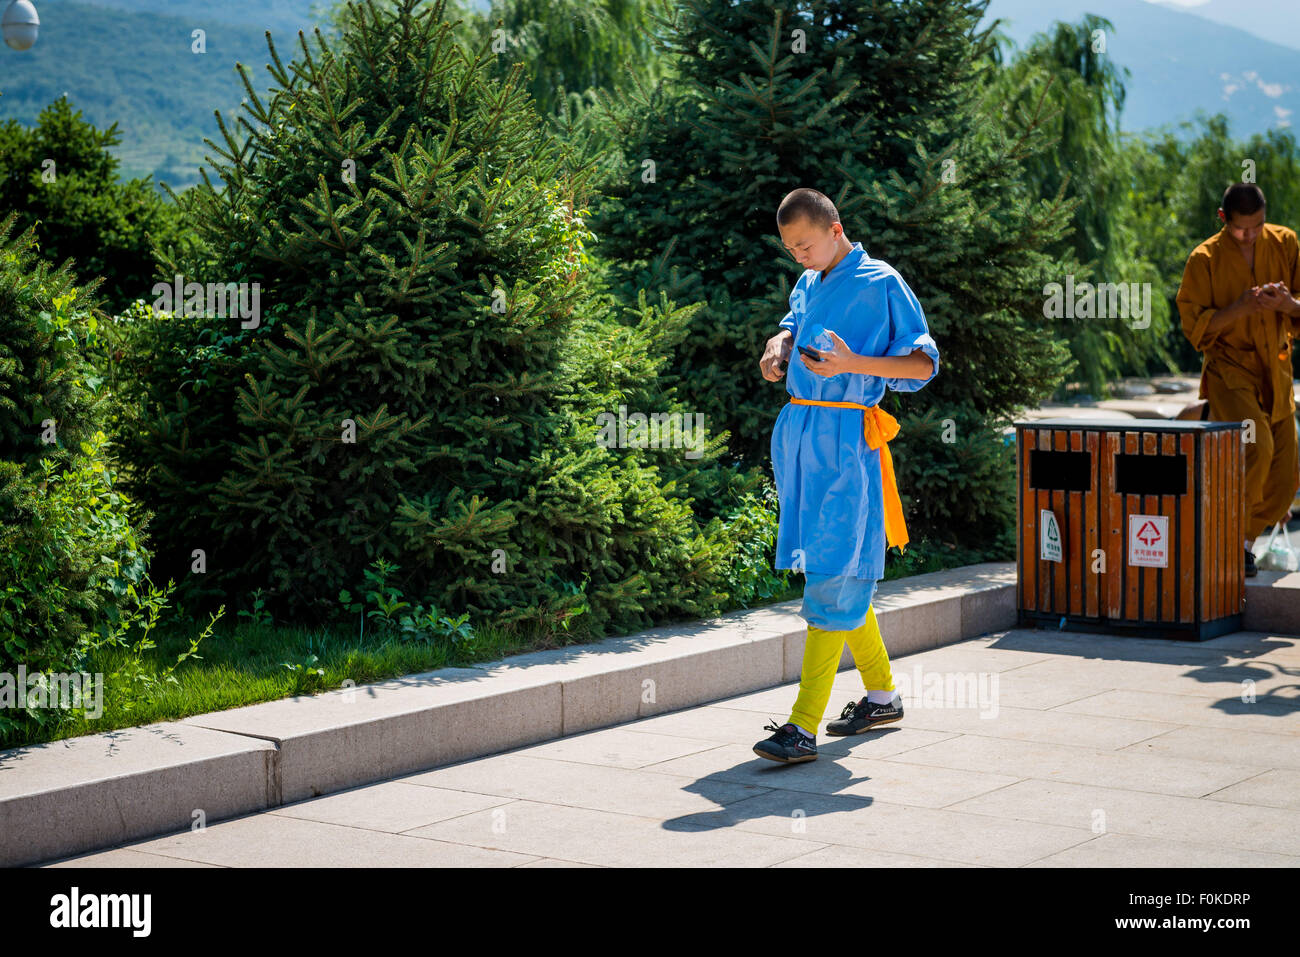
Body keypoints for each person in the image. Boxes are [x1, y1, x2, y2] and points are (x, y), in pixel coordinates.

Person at [754, 187, 939, 763]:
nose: (798, 257)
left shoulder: (881, 282)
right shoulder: (809, 282)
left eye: (804, 244)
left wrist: (854, 364)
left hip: (847, 444)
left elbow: (923, 363)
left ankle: (801, 726)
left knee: (834, 573)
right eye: (789, 249)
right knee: (839, 569)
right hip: (803, 440)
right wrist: (779, 343)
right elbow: (794, 320)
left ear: (836, 230)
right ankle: (882, 697)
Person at [1176, 182, 1300, 576]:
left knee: (1286, 475)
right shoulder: (1204, 259)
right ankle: (1224, 539)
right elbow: (1194, 327)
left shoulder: (1286, 243)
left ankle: (1243, 544)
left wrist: (1287, 304)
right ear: (1223, 218)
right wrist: (1240, 307)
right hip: (1230, 370)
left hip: (1276, 370)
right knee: (1258, 445)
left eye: (1258, 226)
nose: (1251, 235)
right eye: (1242, 229)